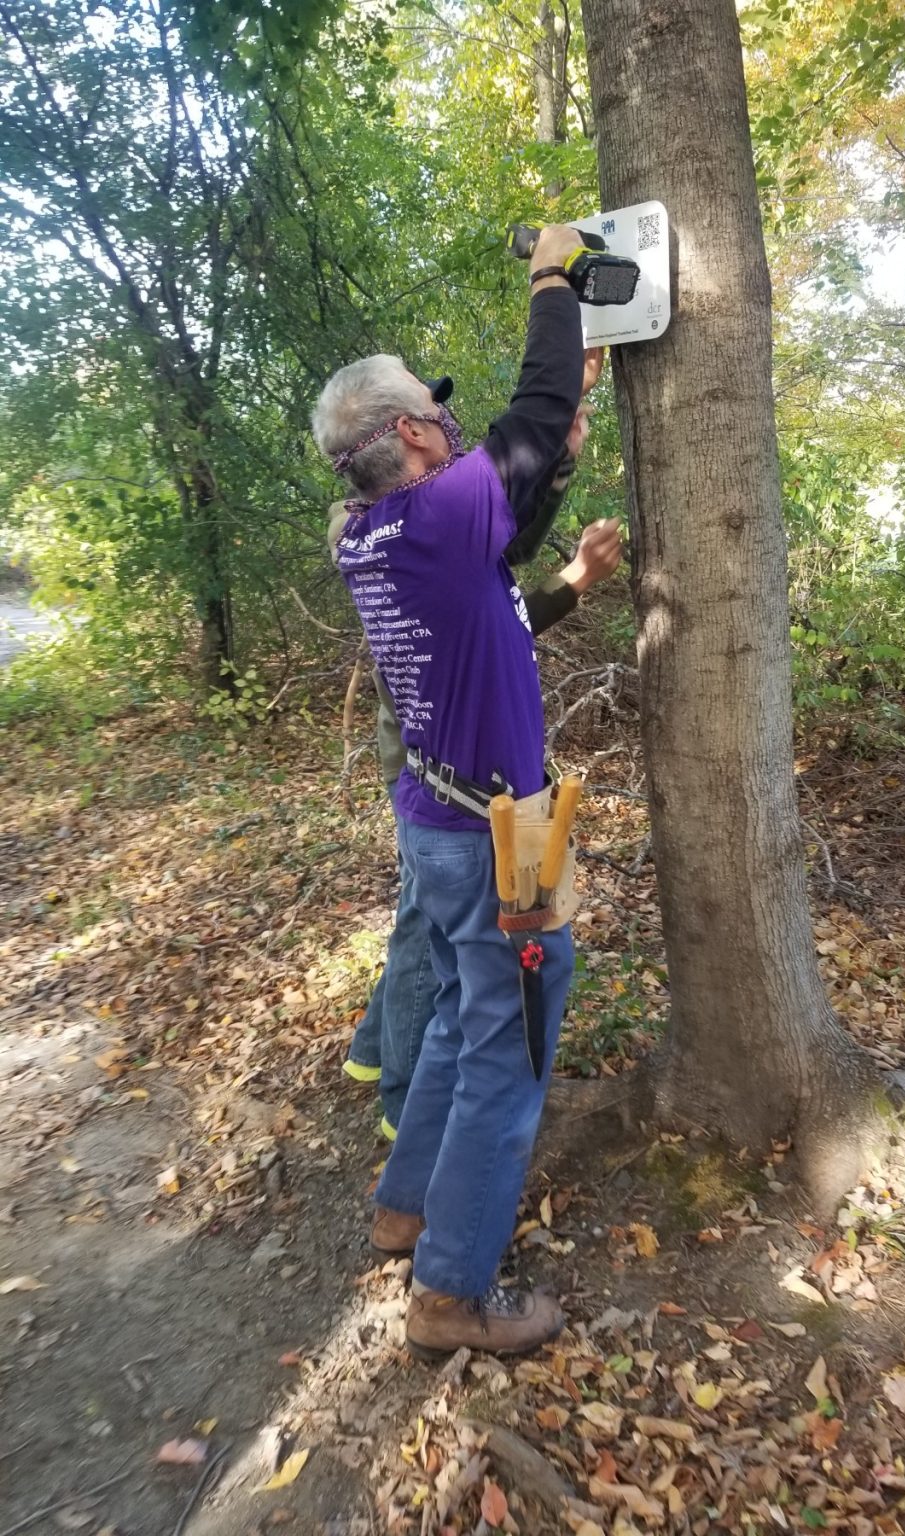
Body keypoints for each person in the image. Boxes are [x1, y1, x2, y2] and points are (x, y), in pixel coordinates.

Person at [312, 224, 595, 1356]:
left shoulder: (376, 534)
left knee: (467, 1020)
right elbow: (526, 419)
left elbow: (510, 535)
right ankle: (449, 1296)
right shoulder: (431, 516)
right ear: (410, 436)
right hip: (502, 830)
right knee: (511, 1043)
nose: (446, 423)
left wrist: (557, 451)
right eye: (430, 414)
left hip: (445, 820)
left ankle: (403, 1204)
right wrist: (551, 275)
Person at [334, 470, 621, 1142]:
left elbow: (502, 559)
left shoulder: (403, 517)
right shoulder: (374, 529)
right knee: (419, 933)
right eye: (427, 425)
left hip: (437, 769)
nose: (442, 441)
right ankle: (404, 1110)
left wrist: (558, 469)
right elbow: (490, 606)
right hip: (428, 773)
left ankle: (373, 1054)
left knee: (418, 916)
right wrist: (574, 578)